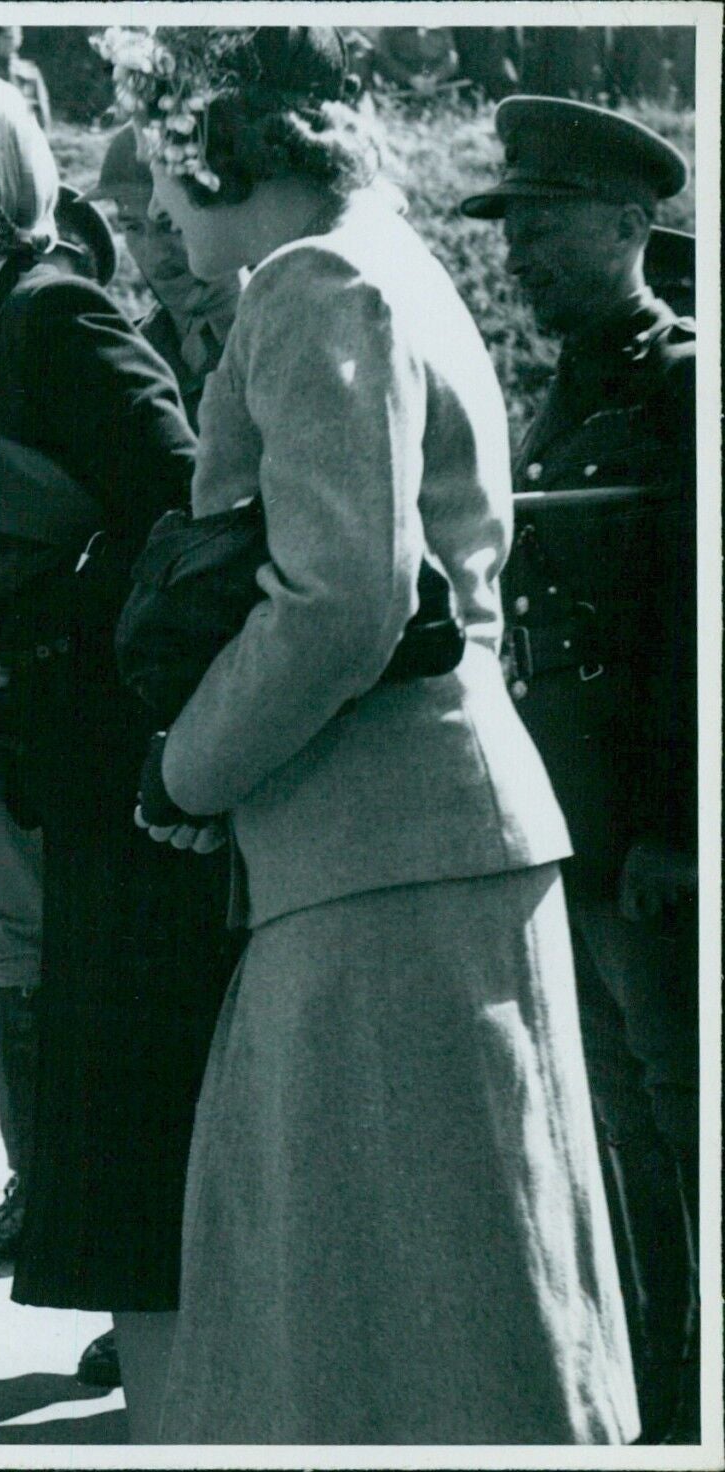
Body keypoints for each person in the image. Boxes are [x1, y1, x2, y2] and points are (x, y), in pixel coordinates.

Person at [105, 25, 637, 1441]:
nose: (152, 209)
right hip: (427, 839)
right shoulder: (389, 264)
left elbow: (341, 599)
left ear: (218, 149)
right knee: (467, 1293)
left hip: (379, 860)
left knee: (382, 1321)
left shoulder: (315, 281)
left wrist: (185, 768)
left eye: (158, 164)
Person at [0, 53, 239, 1439]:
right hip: (73, 783)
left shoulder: (55, 315)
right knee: (113, 1112)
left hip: (136, 781)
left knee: (137, 1109)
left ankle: (200, 1409)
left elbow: (183, 519)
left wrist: (4, 642)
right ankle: (173, 1387)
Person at [461, 96, 698, 1442]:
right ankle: (662, 1398)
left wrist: (681, 827)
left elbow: (696, 639)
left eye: (544, 223)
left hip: (656, 859)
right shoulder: (564, 395)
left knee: (688, 1127)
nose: (518, 250)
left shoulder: (683, 385)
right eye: (511, 225)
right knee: (619, 1136)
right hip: (579, 839)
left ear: (627, 222)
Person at [84, 123, 240, 414]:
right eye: (133, 227)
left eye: (170, 224)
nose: (155, 251)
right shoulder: (126, 357)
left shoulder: (275, 337)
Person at [0, 26, 54, 132]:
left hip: (23, 131)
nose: (10, 42)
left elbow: (43, 109)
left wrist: (43, 134)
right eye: (6, 37)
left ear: (20, 39)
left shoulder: (30, 71)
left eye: (14, 37)